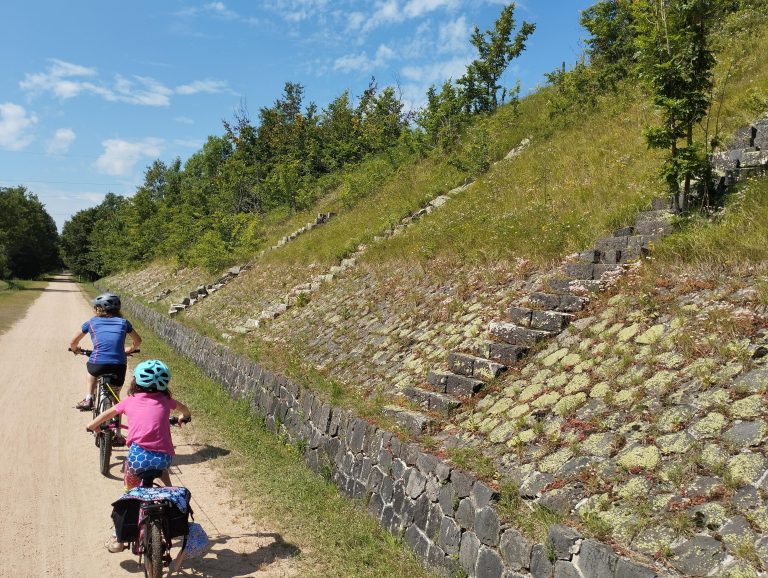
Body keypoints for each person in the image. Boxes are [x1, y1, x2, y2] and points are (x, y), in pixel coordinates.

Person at [86, 359, 191, 553]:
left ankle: (118, 539)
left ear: (136, 383)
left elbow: (106, 415)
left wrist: (92, 426)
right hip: (163, 459)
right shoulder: (167, 401)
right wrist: (183, 417)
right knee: (162, 470)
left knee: (130, 489)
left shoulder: (129, 401)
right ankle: (171, 499)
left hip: (138, 458)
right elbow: (185, 411)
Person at [69, 293, 142, 421]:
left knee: (91, 371)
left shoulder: (91, 322)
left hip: (98, 364)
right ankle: (118, 433)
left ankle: (89, 398)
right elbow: (138, 341)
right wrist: (130, 349)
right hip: (118, 365)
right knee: (116, 397)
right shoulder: (124, 323)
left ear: (99, 308)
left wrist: (76, 350)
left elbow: (73, 342)